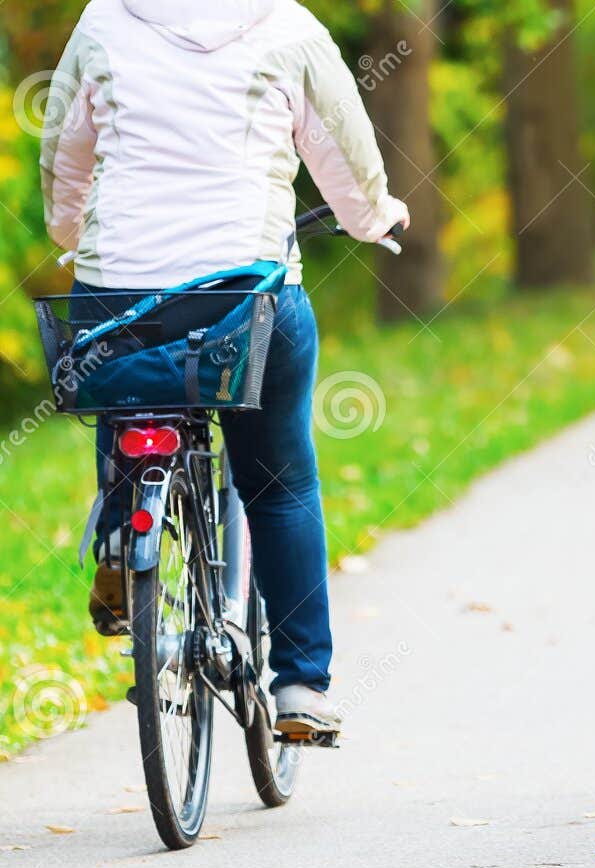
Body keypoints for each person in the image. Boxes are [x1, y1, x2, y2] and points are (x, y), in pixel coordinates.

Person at [41, 0, 409, 738]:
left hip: (121, 292)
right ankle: (300, 686)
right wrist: (375, 217)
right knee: (279, 485)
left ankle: (121, 533)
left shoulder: (105, 19)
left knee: (125, 380)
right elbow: (342, 149)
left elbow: (64, 152)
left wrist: (69, 229)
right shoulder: (288, 26)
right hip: (246, 297)